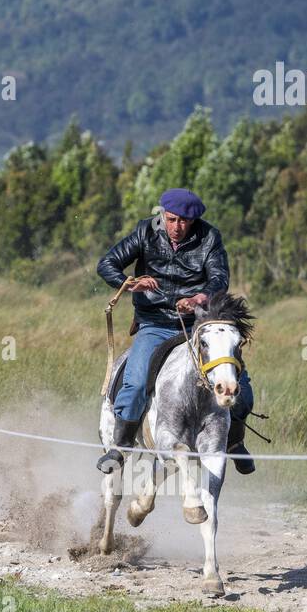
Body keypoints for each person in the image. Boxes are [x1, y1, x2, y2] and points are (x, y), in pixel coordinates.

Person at [95, 188, 254, 474]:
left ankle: (234, 442)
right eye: (171, 220)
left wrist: (199, 299)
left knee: (239, 380)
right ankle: (119, 447)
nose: (176, 227)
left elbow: (219, 277)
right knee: (136, 380)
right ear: (162, 215)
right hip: (154, 323)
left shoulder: (210, 238)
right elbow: (106, 264)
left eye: (183, 221)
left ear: (193, 221)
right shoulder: (145, 232)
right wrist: (129, 282)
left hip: (196, 325)